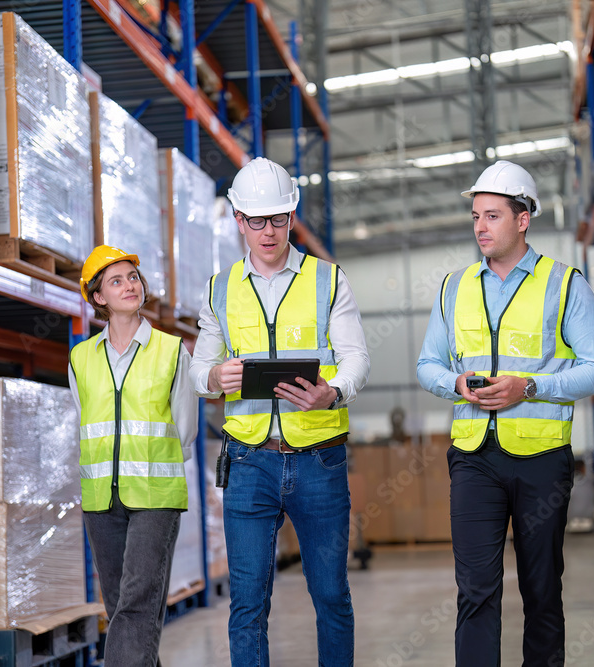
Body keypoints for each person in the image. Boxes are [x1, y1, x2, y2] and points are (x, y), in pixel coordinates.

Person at [416, 161, 594, 667]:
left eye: (493, 216)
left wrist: (530, 386)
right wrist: (455, 383)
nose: (480, 227)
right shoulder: (454, 287)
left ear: (523, 219)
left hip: (541, 460)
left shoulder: (564, 284)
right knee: (475, 589)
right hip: (474, 458)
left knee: (541, 588)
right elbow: (427, 364)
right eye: (476, 216)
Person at [189, 157, 370, 667]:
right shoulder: (219, 289)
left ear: (292, 216)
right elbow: (198, 368)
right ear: (238, 220)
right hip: (248, 463)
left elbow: (356, 356)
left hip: (320, 460)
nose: (267, 232)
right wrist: (213, 378)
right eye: (255, 221)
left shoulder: (328, 280)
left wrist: (331, 392)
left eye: (277, 219)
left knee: (331, 597)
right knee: (248, 603)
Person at [69, 245, 197, 667]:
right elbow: (84, 419)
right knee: (122, 608)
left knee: (136, 604)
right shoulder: (80, 358)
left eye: (134, 277)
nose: (130, 285)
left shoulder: (171, 350)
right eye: (116, 280)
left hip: (155, 496)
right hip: (102, 501)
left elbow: (186, 428)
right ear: (99, 298)